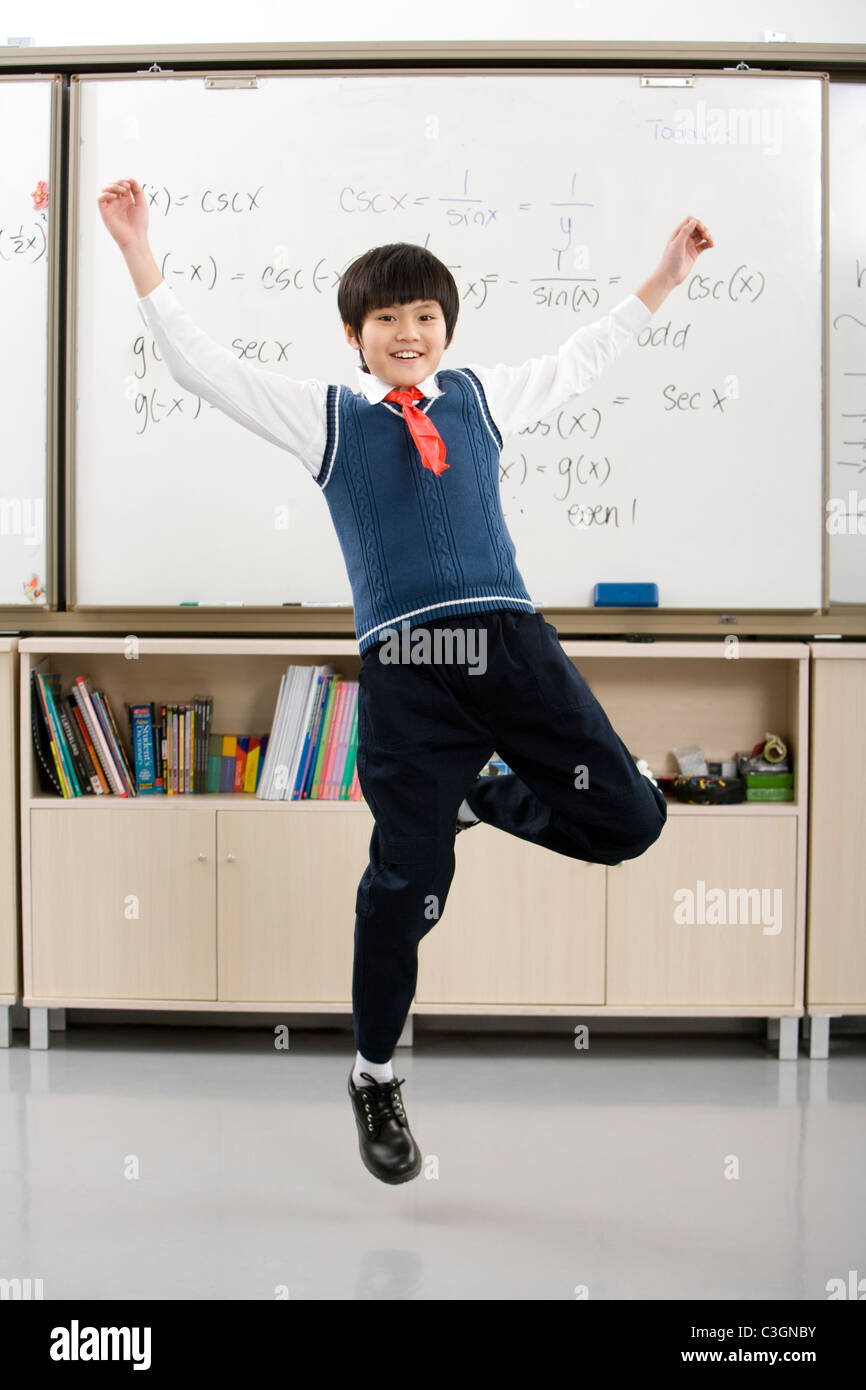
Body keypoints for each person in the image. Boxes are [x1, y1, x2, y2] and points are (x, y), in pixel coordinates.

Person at [99, 178, 713, 1185]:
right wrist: (136, 249)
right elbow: (199, 366)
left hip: (511, 648)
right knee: (404, 888)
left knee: (631, 821)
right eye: (386, 317)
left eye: (424, 315)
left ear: (445, 327)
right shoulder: (324, 418)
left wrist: (661, 278)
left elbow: (583, 356)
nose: (408, 331)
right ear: (355, 334)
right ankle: (373, 1074)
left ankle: (482, 798)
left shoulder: (479, 397)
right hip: (410, 671)